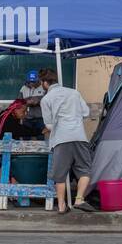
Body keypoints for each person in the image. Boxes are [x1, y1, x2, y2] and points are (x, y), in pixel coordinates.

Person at [38, 69, 94, 213]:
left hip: (61, 139)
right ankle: (79, 199)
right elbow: (86, 112)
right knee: (85, 170)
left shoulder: (46, 99)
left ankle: (62, 206)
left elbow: (49, 125)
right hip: (79, 136)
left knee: (60, 175)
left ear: (44, 83)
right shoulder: (74, 93)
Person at [19, 70, 46, 134]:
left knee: (40, 138)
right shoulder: (23, 88)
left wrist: (38, 102)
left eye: (34, 81)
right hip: (27, 118)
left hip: (40, 118)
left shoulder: (44, 87)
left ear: (38, 79)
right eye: (30, 81)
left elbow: (48, 102)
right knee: (25, 137)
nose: (32, 83)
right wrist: (26, 102)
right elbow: (19, 102)